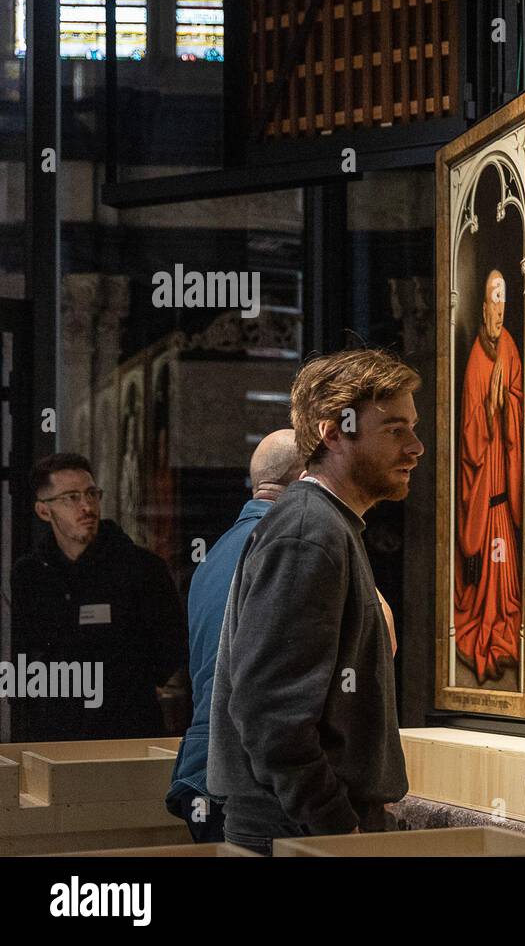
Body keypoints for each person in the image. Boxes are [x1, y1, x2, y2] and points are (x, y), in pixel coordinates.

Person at [207, 349, 422, 854]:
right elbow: (268, 711)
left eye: (412, 427)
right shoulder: (309, 530)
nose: (416, 447)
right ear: (332, 432)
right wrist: (335, 824)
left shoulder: (327, 524)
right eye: (394, 430)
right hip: (294, 831)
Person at [165, 429, 303, 842]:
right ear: (304, 479)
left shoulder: (215, 554)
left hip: (203, 770)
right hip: (250, 781)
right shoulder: (286, 549)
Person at [10, 452, 187, 741]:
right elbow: (26, 651)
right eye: (71, 497)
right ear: (44, 511)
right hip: (55, 734)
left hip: (127, 730)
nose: (86, 506)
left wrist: (129, 685)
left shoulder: (141, 568)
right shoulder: (30, 574)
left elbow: (171, 646)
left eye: (91, 494)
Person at [454, 269, 524, 682]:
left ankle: (506, 621)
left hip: (505, 473)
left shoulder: (511, 348)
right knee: (486, 560)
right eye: (493, 300)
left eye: (504, 301)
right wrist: (488, 408)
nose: (499, 310)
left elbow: (519, 399)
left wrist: (508, 402)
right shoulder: (476, 361)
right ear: (482, 307)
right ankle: (486, 620)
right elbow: (468, 435)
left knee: (507, 568)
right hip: (484, 481)